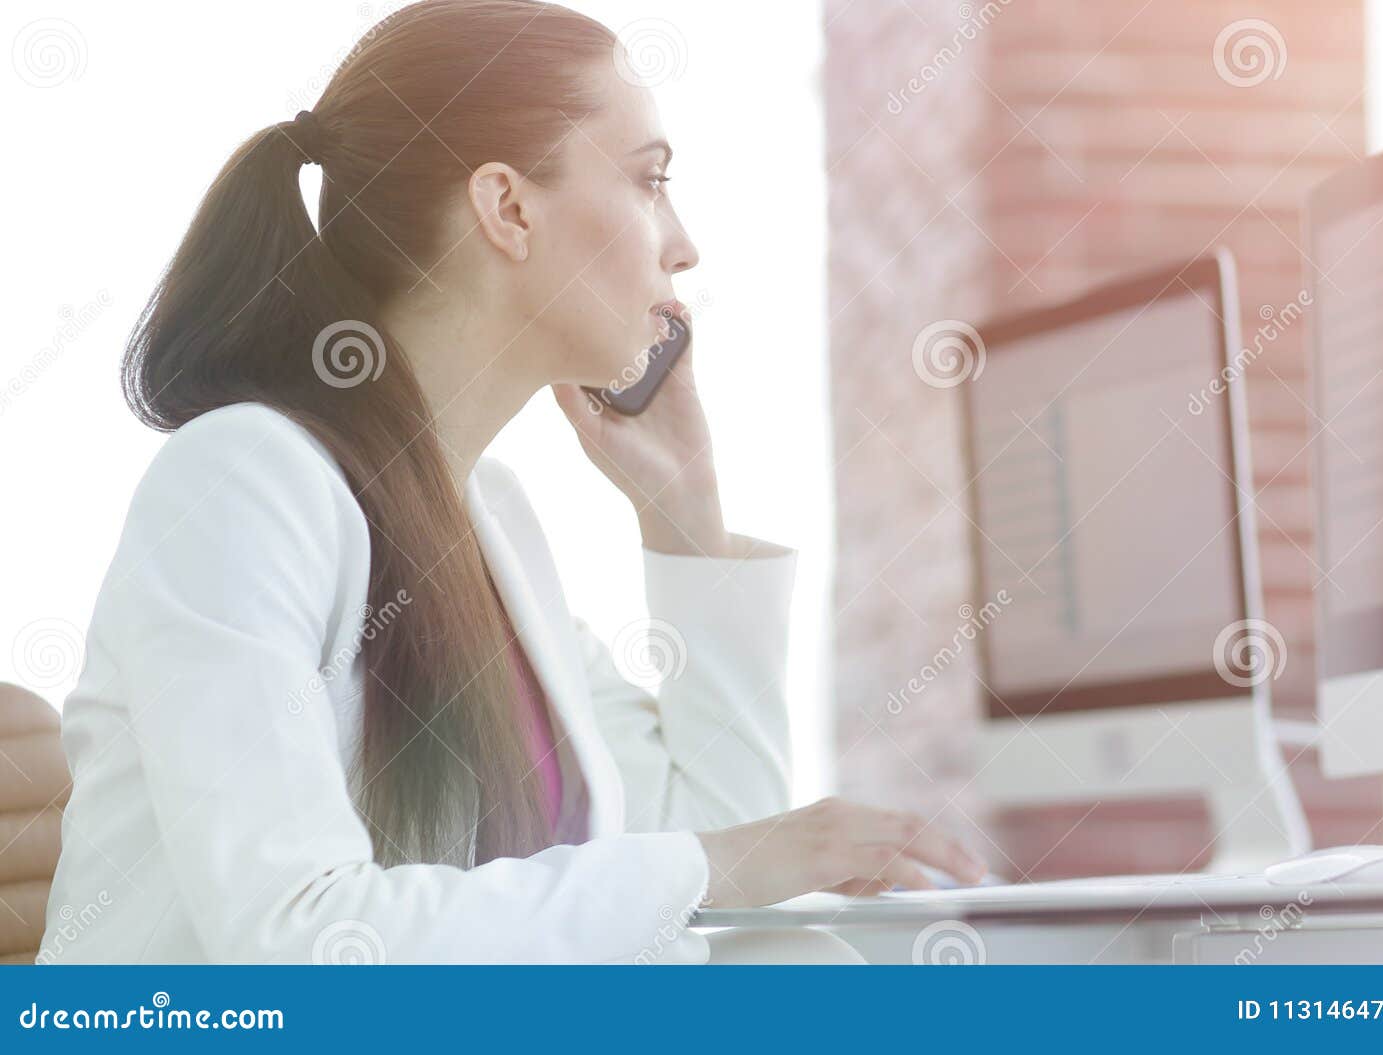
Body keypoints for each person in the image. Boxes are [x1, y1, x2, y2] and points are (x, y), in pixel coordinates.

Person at [39, 0, 984, 965]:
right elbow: (306, 939)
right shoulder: (245, 482)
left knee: (800, 960)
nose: (684, 243)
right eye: (650, 181)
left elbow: (713, 871)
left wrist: (684, 524)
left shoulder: (495, 527)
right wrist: (722, 863)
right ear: (507, 208)